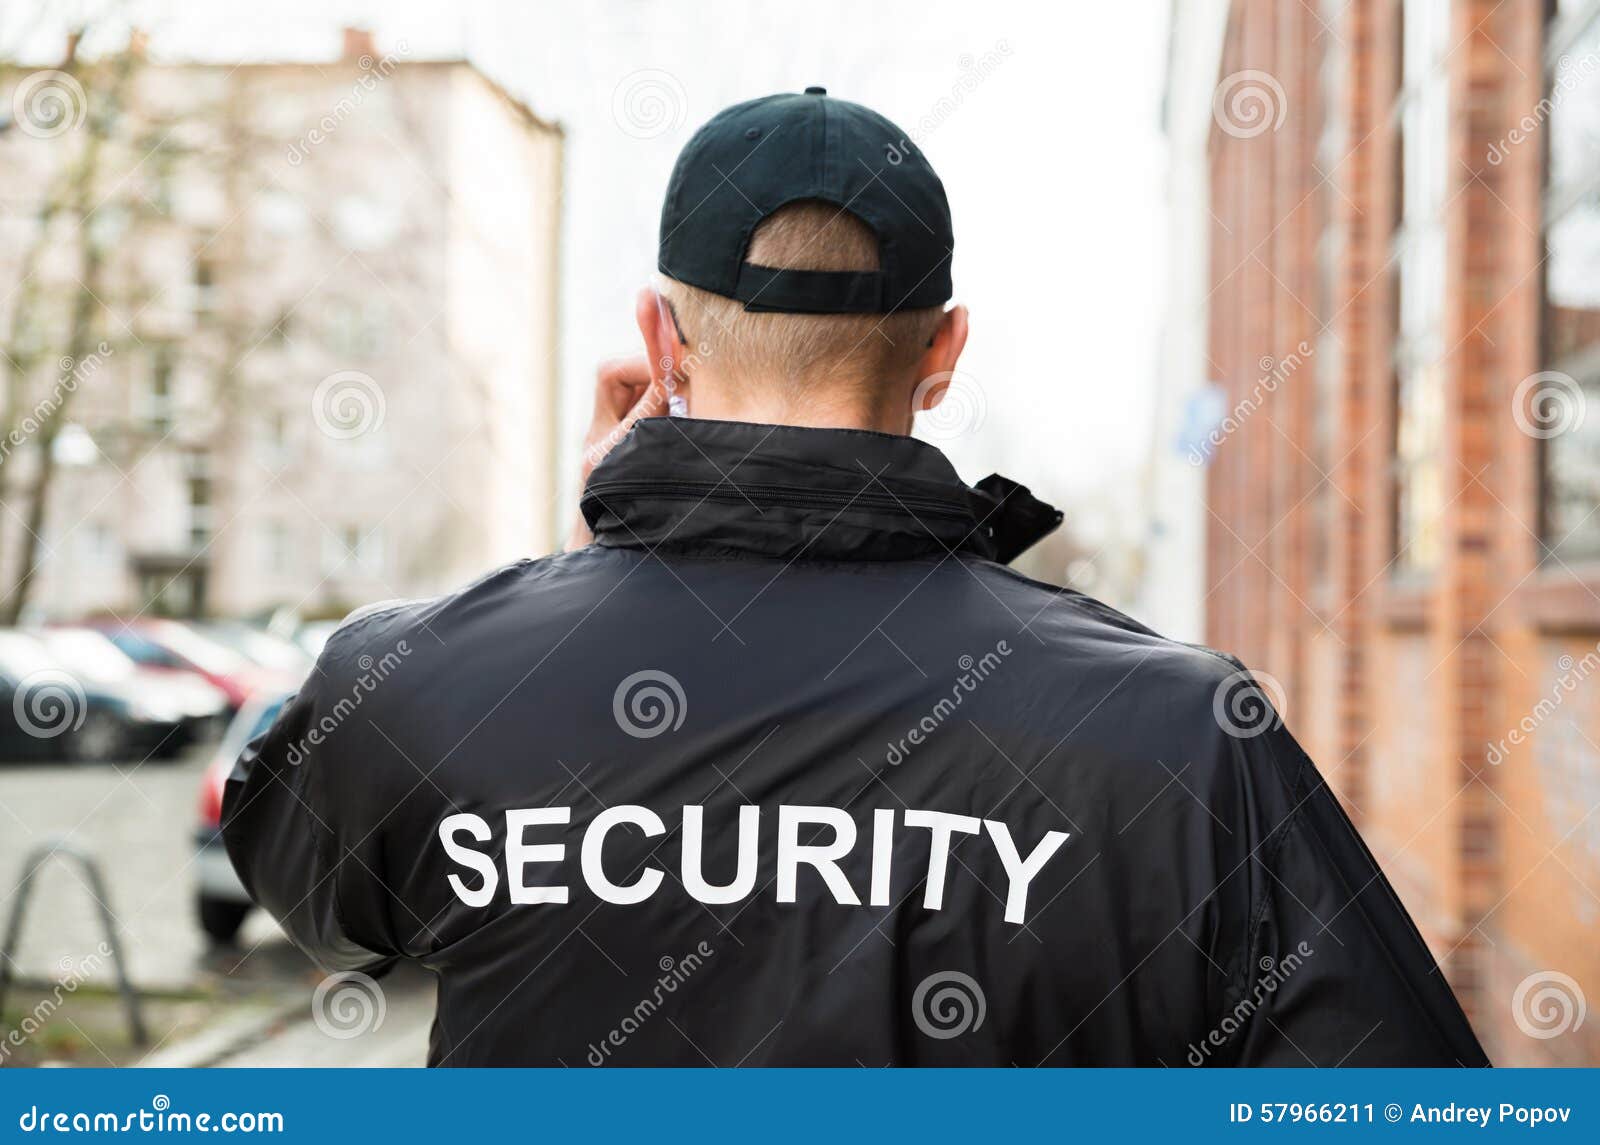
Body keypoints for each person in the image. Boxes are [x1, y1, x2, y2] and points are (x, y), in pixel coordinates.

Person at [223, 88, 1488, 1067]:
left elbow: (311, 893)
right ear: (943, 351)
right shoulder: (1184, 736)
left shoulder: (420, 685)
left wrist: (590, 565)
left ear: (660, 336)